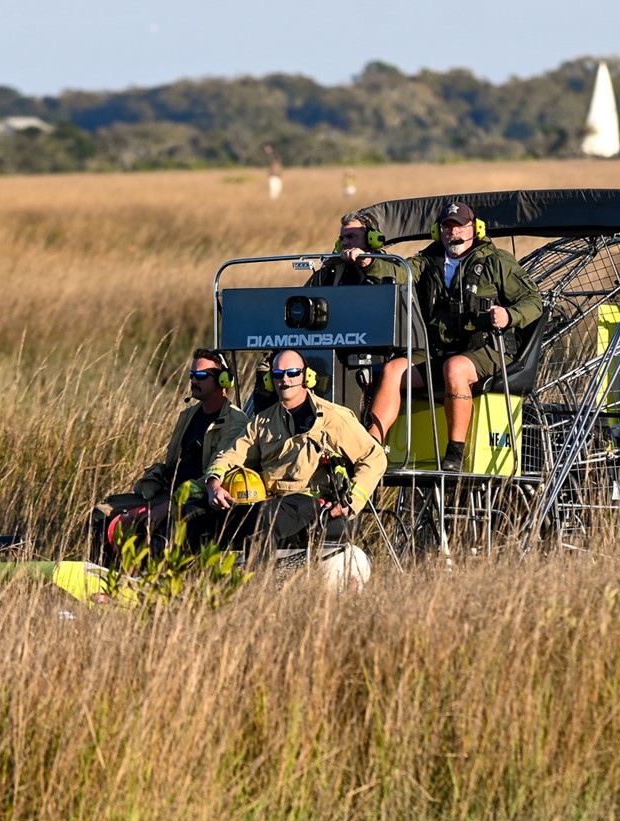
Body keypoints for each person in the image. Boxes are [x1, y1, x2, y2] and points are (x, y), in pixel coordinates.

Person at [186, 349, 387, 562]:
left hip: (313, 499)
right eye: (278, 374)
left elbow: (374, 457)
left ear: (306, 377)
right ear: (271, 381)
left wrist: (351, 501)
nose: (285, 379)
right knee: (193, 514)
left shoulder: (333, 418)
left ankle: (258, 591)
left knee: (263, 518)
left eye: (292, 373)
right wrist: (213, 483)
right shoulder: (261, 422)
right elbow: (231, 454)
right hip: (269, 499)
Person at [409, 200, 543, 472]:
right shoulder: (426, 262)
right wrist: (369, 262)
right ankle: (373, 448)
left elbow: (534, 302)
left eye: (459, 227)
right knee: (390, 371)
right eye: (446, 228)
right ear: (438, 232)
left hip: (489, 351)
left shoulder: (497, 261)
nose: (452, 233)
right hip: (439, 351)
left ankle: (455, 452)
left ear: (476, 229)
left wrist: (509, 315)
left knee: (455, 368)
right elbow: (395, 272)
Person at [87, 349, 251, 565]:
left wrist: (170, 505)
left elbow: (219, 473)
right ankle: (104, 576)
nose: (194, 381)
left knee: (161, 528)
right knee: (101, 514)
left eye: (201, 376)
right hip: (167, 493)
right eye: (192, 375)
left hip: (197, 500)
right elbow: (173, 463)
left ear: (223, 380)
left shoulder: (235, 421)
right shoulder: (188, 415)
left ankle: (149, 579)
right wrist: (155, 479)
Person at [305, 212, 411, 445]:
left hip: (380, 351)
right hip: (335, 348)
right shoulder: (331, 270)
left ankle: (368, 446)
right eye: (342, 238)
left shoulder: (391, 265)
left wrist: (366, 261)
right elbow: (304, 300)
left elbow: (403, 279)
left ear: (372, 238)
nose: (345, 243)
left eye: (352, 236)